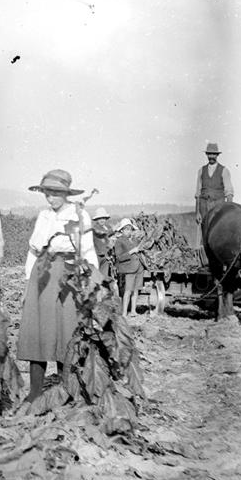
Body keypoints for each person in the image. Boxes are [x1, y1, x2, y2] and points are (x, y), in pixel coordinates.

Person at [18, 169, 98, 403]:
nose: (49, 198)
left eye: (54, 193)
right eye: (46, 193)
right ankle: (35, 392)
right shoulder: (44, 216)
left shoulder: (80, 215)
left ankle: (67, 390)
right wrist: (27, 285)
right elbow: (33, 252)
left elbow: (88, 251)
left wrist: (90, 282)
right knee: (39, 330)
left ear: (65, 194)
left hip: (68, 276)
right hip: (41, 277)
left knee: (66, 330)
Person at [194, 141, 233, 223]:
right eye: (209, 154)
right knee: (204, 233)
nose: (211, 156)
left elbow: (229, 193)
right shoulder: (201, 171)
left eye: (213, 154)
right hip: (203, 208)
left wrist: (229, 213)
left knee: (217, 233)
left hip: (218, 209)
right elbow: (198, 194)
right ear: (207, 155)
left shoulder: (224, 171)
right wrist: (197, 213)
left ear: (217, 155)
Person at [113, 218, 144, 317]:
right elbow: (119, 257)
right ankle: (124, 312)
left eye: (130, 229)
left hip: (139, 267)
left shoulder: (135, 240)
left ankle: (133, 311)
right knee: (128, 291)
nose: (128, 231)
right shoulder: (119, 241)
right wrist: (132, 251)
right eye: (126, 229)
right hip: (129, 269)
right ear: (121, 230)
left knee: (136, 290)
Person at [88, 205, 114, 274]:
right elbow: (103, 234)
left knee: (104, 274)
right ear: (97, 219)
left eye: (104, 218)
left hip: (106, 256)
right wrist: (114, 230)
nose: (102, 220)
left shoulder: (107, 227)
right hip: (98, 255)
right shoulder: (95, 228)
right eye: (100, 218)